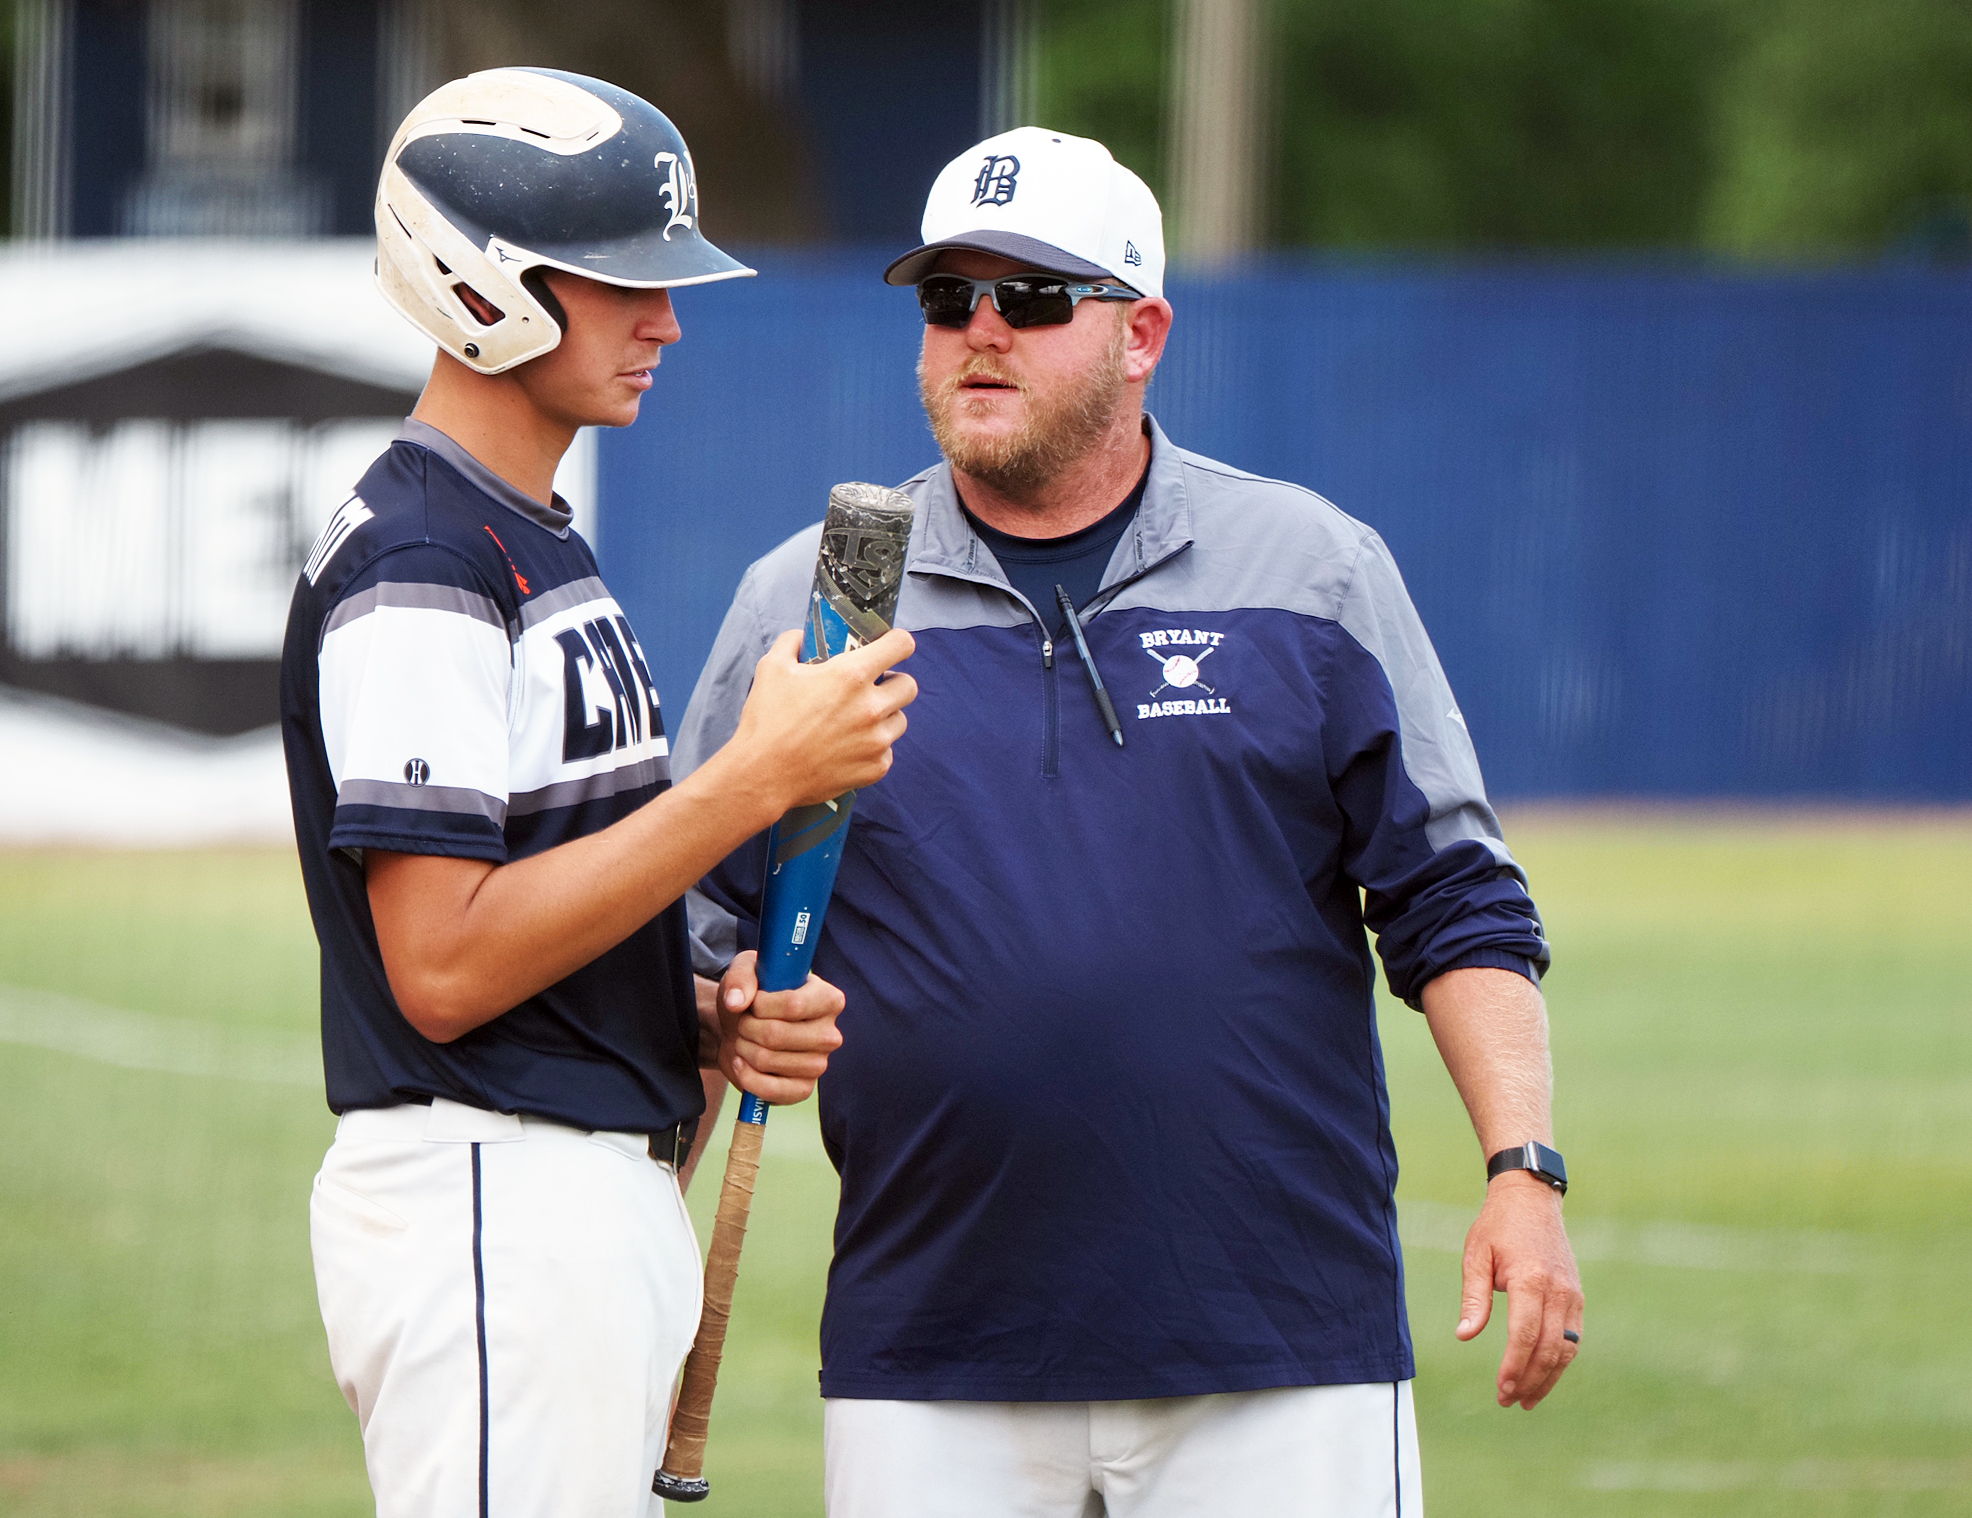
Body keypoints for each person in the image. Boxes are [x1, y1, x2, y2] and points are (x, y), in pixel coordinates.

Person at [675, 126, 1582, 1516]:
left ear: (1141, 330)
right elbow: (689, 934)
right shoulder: (816, 597)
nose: (981, 333)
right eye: (947, 298)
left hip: (1281, 1354)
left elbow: (1455, 898)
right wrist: (725, 1007)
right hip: (931, 1355)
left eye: (1032, 297)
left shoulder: (1316, 573)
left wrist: (1522, 1168)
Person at [280, 68, 915, 1518]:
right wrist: (759, 776)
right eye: (627, 281)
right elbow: (440, 966)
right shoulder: (423, 560)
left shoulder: (528, 537)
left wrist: (693, 1014)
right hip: (495, 1204)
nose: (668, 321)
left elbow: (533, 922)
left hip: (560, 1202)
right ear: (483, 281)